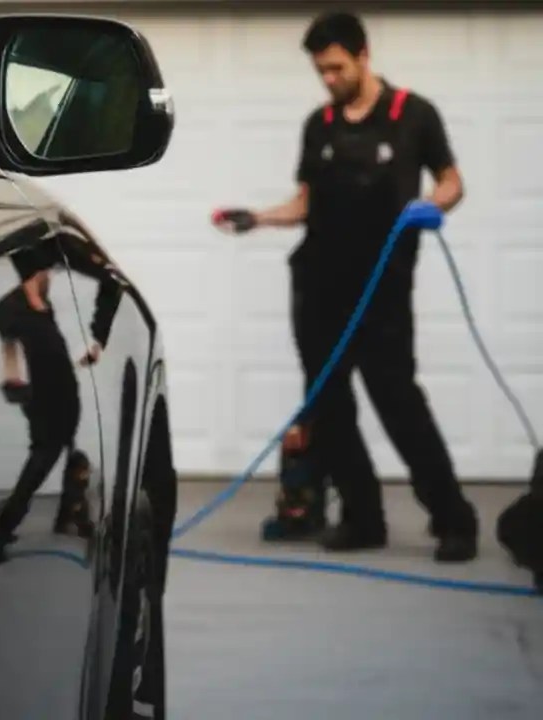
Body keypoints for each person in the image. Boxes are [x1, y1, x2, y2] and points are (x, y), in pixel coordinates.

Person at [211, 12, 479, 562]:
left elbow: (452, 181)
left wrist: (434, 205)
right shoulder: (319, 125)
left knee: (399, 404)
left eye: (336, 68)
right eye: (320, 71)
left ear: (363, 55)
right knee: (330, 409)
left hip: (382, 288)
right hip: (318, 285)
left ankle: (454, 521)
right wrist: (256, 218)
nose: (329, 79)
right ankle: (363, 519)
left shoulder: (413, 115)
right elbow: (305, 203)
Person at [0, 243, 114, 565]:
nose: (52, 276)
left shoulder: (44, 305)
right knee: (42, 461)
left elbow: (109, 279)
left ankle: (67, 515)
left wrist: (97, 342)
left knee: (68, 450)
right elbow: (8, 347)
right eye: (48, 270)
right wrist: (12, 381)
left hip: (64, 394)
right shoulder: (9, 309)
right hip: (42, 399)